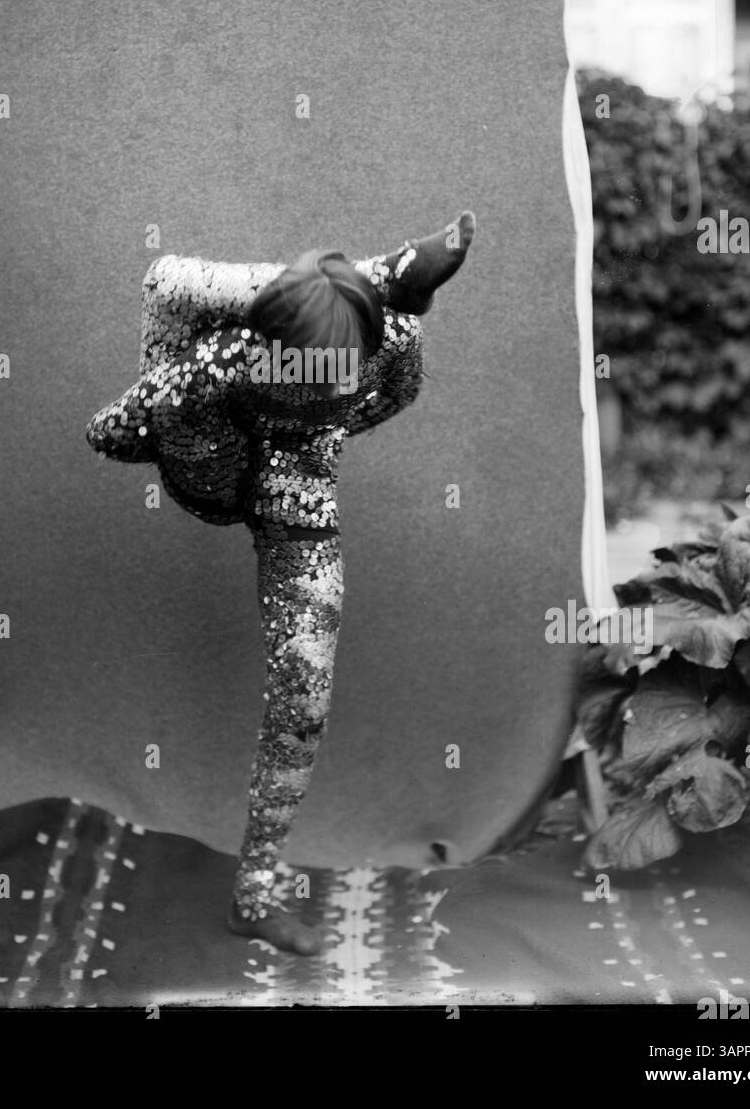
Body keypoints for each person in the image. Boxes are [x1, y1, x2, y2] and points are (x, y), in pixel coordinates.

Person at [86, 212, 476, 954]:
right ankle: (376, 272)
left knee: (306, 694)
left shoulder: (391, 344)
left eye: (338, 386)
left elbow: (392, 396)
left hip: (298, 488)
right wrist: (170, 408)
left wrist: (322, 404)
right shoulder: (218, 363)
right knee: (176, 318)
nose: (328, 399)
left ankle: (255, 893)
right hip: (209, 461)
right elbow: (107, 429)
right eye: (308, 389)